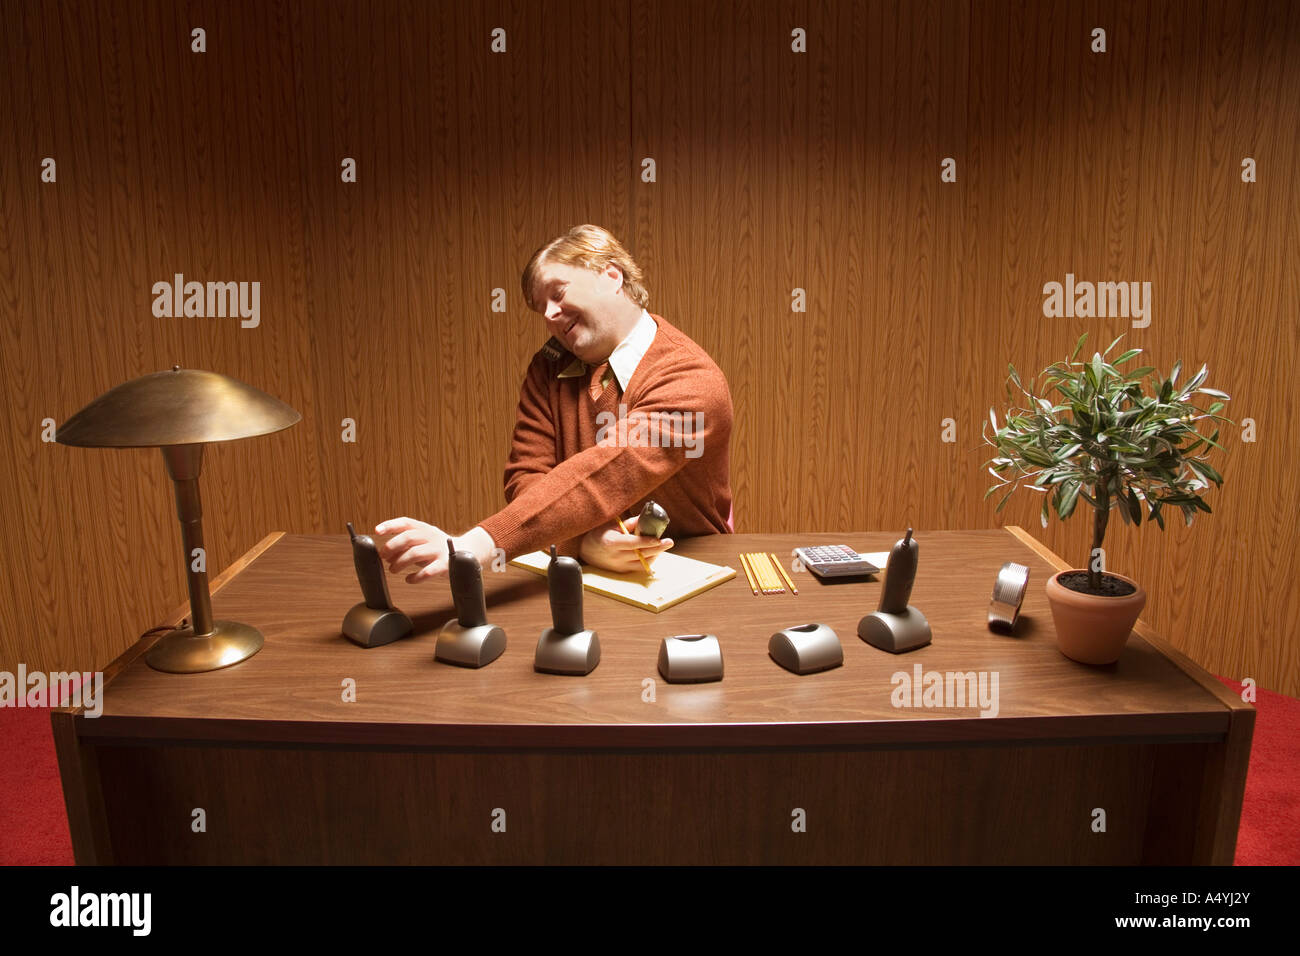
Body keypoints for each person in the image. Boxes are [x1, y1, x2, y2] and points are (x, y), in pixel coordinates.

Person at [378, 224, 734, 581]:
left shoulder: (691, 378)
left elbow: (610, 472)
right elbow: (527, 473)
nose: (548, 315)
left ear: (611, 276)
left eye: (558, 293)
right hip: (579, 572)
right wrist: (584, 544)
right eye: (541, 307)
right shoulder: (548, 366)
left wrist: (475, 545)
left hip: (686, 572)